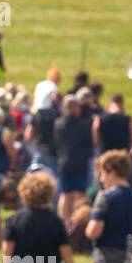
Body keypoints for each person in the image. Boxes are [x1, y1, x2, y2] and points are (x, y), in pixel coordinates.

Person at [56, 93, 95, 225]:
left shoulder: (58, 123)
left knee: (65, 195)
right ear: (74, 108)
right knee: (79, 195)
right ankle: (77, 223)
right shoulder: (83, 125)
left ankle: (64, 223)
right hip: (79, 163)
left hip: (63, 162)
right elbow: (90, 144)